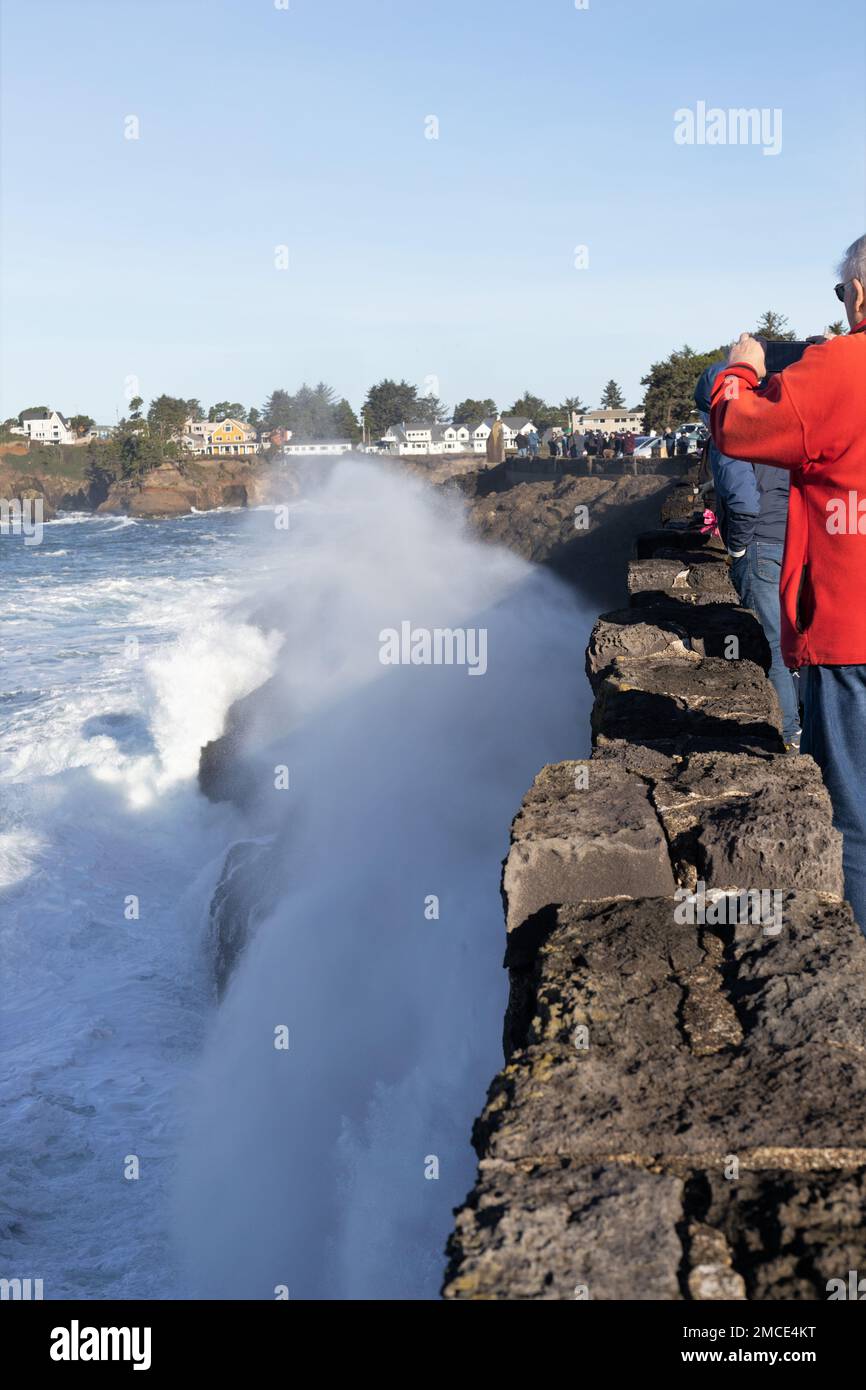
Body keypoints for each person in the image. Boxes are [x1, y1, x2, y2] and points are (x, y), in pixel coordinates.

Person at [709, 233, 866, 931]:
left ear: (859, 292)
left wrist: (739, 370)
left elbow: (739, 430)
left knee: (857, 820)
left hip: (848, 630)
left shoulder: (841, 368)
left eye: (843, 292)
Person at [695, 364, 800, 749]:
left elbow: (742, 503)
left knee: (770, 645)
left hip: (759, 547)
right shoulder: (771, 425)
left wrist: (737, 547)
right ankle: (804, 725)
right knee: (794, 640)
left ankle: (788, 736)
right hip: (791, 542)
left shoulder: (729, 434)